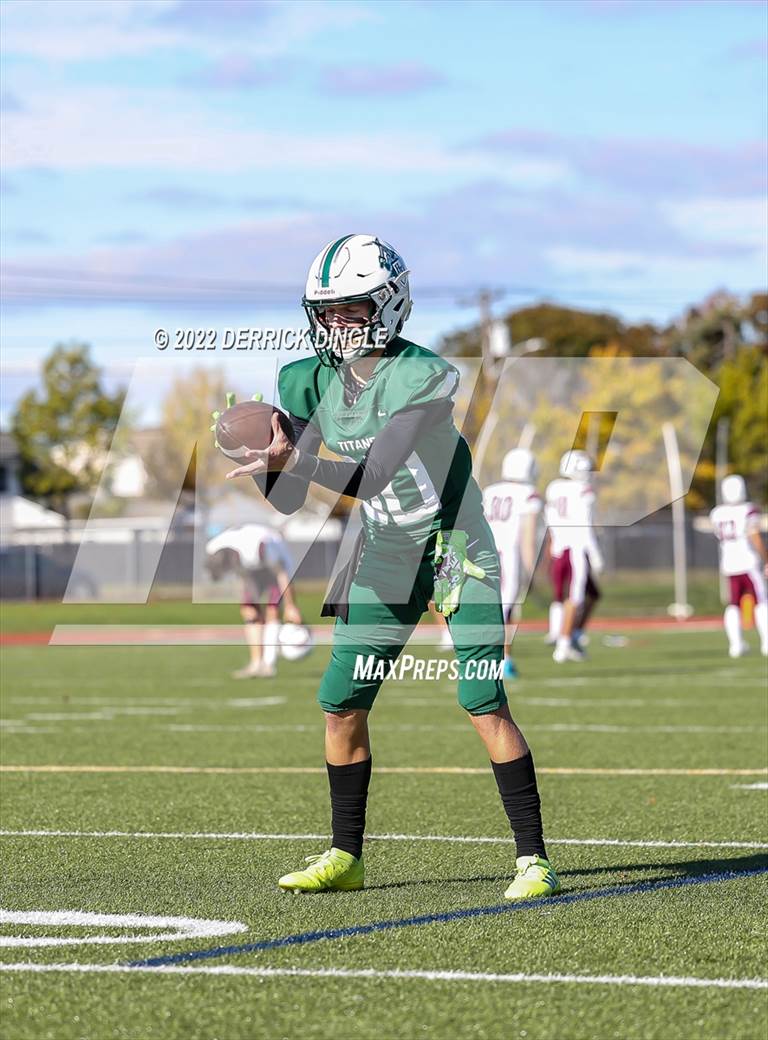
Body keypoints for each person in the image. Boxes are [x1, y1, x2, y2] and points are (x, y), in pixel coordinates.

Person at [221, 234, 560, 900]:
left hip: (456, 549)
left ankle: (534, 860)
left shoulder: (423, 374)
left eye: (352, 309)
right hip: (383, 553)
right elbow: (291, 495)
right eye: (328, 312)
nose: (338, 324)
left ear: (390, 304)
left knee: (480, 699)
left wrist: (299, 462)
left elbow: (376, 475)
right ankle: (347, 856)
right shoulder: (303, 379)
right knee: (340, 704)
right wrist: (269, 459)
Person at [205, 523, 303, 678]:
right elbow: (241, 576)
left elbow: (281, 573)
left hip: (273, 567)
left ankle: (268, 665)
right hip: (249, 570)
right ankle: (256, 663)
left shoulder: (260, 547)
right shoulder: (213, 548)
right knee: (250, 613)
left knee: (272, 609)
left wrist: (291, 605)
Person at [482, 448, 542, 678]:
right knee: (507, 607)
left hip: (485, 552)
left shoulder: (490, 491)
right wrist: (531, 570)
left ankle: (491, 658)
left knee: (490, 605)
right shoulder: (528, 494)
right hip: (509, 554)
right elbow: (527, 538)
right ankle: (503, 661)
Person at [544, 450, 603, 663]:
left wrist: (553, 546)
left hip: (560, 547)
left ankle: (572, 635)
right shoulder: (583, 490)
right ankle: (563, 645)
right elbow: (585, 526)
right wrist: (596, 555)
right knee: (574, 597)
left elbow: (550, 520)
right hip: (578, 548)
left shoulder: (554, 488)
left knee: (588, 594)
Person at [709, 475, 767, 658]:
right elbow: (754, 536)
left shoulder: (717, 513)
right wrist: (766, 558)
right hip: (749, 562)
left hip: (729, 564)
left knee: (733, 604)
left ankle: (735, 645)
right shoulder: (748, 510)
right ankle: (766, 642)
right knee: (761, 601)